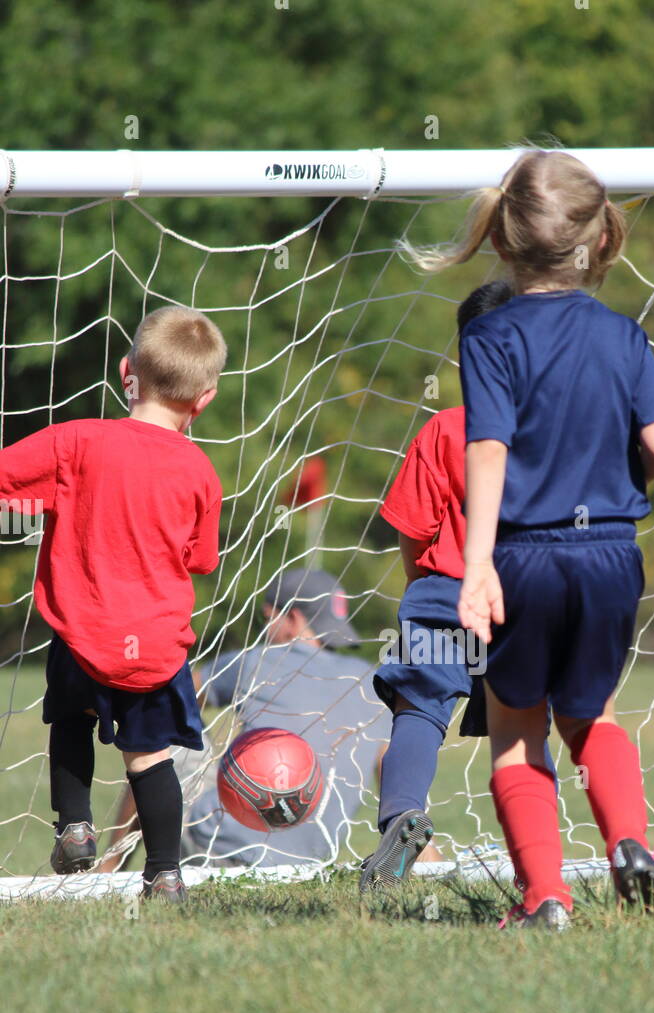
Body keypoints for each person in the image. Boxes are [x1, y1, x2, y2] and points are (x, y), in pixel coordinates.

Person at [405, 149, 654, 927]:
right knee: (593, 716)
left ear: (499, 241)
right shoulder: (625, 335)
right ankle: (632, 845)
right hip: (610, 555)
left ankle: (546, 898)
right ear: (598, 241)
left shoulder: (490, 337)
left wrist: (476, 562)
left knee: (516, 731)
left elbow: (486, 448)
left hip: (525, 556)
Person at [0, 305, 226, 903]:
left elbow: (5, 477)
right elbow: (202, 559)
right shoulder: (201, 470)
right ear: (203, 400)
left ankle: (75, 826)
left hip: (80, 634)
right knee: (150, 760)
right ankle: (166, 876)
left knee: (70, 721)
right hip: (154, 646)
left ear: (127, 371)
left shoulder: (77, 441)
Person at [361, 280, 519, 892]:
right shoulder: (549, 434)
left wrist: (421, 585)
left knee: (419, 710)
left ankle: (402, 813)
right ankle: (533, 848)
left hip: (442, 591)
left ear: (464, 359)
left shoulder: (443, 430)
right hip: (519, 596)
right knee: (523, 720)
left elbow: (411, 527)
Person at [170, 568, 390, 869]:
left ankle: (111, 866)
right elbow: (391, 774)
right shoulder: (371, 681)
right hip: (310, 861)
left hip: (215, 845)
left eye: (267, 617)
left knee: (161, 728)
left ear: (293, 619)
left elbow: (174, 698)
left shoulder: (255, 662)